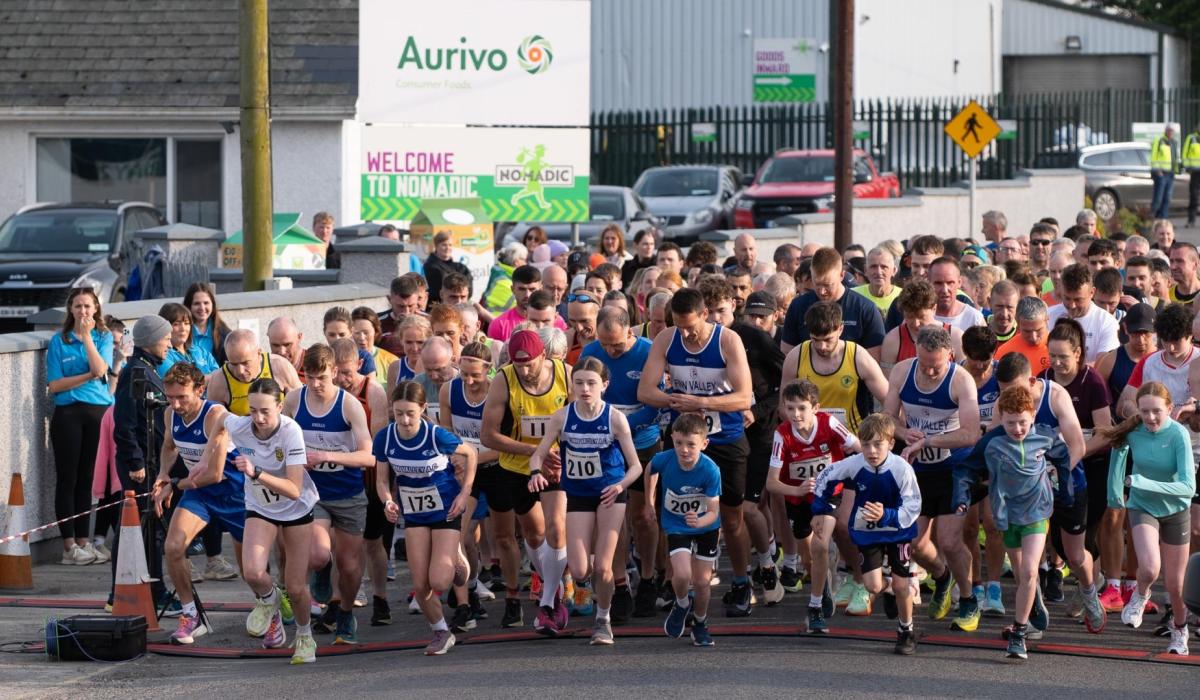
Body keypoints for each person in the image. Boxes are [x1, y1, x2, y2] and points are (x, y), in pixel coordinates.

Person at [639, 288, 756, 617]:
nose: (685, 334)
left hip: (724, 436)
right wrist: (676, 400)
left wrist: (701, 402)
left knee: (731, 517)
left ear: (705, 315)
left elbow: (744, 396)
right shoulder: (667, 339)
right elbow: (645, 390)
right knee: (675, 513)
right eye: (679, 326)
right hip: (684, 438)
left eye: (690, 327)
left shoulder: (727, 340)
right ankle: (674, 580)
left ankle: (741, 581)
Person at [526, 357, 643, 644]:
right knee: (580, 570)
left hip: (609, 494)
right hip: (578, 493)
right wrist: (535, 473)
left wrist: (619, 486)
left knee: (603, 567)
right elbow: (538, 454)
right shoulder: (562, 417)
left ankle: (603, 620)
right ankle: (594, 571)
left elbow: (636, 466)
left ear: (604, 385)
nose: (585, 389)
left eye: (591, 383)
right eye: (579, 383)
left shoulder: (615, 418)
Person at [952, 386, 1075, 659]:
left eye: (1022, 422)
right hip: (1006, 514)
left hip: (1037, 512)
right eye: (1010, 423)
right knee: (1021, 574)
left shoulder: (1044, 435)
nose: (1017, 429)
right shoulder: (992, 442)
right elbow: (965, 470)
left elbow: (1063, 457)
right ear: (1001, 419)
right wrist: (961, 498)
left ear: (1033, 416)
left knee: (1029, 571)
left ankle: (1019, 634)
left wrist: (1065, 492)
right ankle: (1034, 601)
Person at [213, 378, 319, 664]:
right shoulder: (241, 426)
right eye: (253, 410)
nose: (258, 418)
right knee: (252, 572)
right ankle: (270, 599)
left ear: (280, 407)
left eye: (265, 412)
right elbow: (219, 417)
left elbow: (294, 489)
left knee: (296, 587)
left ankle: (304, 635)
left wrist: (256, 472)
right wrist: (209, 459)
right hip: (261, 507)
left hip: (296, 509)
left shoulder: (290, 431)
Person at [883, 326, 981, 632]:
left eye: (935, 366)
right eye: (924, 364)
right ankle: (941, 576)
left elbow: (971, 433)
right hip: (919, 469)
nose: (928, 370)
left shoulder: (960, 379)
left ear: (949, 355)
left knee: (950, 541)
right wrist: (903, 432)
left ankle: (968, 599)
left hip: (954, 468)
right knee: (914, 542)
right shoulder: (902, 372)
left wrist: (928, 441)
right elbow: (888, 419)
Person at [375, 380, 477, 655]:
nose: (405, 420)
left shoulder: (436, 435)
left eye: (410, 413)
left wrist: (464, 493)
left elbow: (471, 454)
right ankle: (442, 632)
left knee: (440, 581)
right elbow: (382, 480)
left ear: (422, 408)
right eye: (399, 413)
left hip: (445, 510)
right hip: (414, 513)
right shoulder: (385, 438)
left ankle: (456, 556)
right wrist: (387, 501)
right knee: (420, 585)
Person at [282, 345, 376, 644]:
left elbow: (368, 456)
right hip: (313, 493)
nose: (315, 384)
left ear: (334, 372)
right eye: (309, 377)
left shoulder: (349, 405)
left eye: (321, 377)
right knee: (318, 554)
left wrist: (325, 455)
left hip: (348, 493)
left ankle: (345, 612)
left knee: (349, 566)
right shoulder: (295, 400)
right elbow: (278, 437)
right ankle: (321, 569)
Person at [480, 330, 572, 629]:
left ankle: (549, 601)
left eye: (530, 364)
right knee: (534, 535)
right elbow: (488, 436)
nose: (524, 371)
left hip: (556, 465)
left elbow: (583, 422)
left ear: (543, 356)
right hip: (518, 466)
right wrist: (536, 451)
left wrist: (561, 456)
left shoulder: (566, 374)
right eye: (518, 365)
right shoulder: (504, 379)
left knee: (556, 528)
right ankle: (552, 584)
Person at [579, 307, 664, 618]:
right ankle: (620, 583)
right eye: (605, 344)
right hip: (605, 447)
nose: (610, 351)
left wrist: (621, 426)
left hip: (642, 443)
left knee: (644, 516)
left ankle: (649, 578)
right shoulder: (591, 353)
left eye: (616, 345)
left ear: (631, 332)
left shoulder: (648, 352)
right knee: (614, 518)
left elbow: (656, 403)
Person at [152, 363, 245, 645]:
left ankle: (270, 604)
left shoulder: (215, 415)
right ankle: (191, 614)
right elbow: (169, 446)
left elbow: (214, 474)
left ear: (200, 390)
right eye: (170, 397)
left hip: (233, 493)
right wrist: (163, 473)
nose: (176, 404)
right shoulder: (170, 414)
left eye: (182, 397)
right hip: (199, 493)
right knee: (173, 547)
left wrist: (174, 484)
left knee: (251, 572)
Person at [813, 414, 923, 654]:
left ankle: (906, 630)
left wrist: (886, 515)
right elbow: (825, 478)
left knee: (902, 586)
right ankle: (888, 586)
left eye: (877, 444)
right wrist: (820, 510)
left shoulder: (901, 469)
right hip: (868, 532)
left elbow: (914, 506)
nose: (871, 451)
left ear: (891, 444)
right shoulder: (855, 464)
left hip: (898, 531)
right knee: (872, 586)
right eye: (865, 445)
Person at [1104, 382, 1196, 655]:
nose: (1151, 417)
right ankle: (1140, 595)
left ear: (1169, 408)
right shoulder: (1134, 430)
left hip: (1176, 510)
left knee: (1175, 585)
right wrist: (1114, 494)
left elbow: (1187, 488)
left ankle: (1180, 629)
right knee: (1150, 568)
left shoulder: (1178, 434)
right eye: (1145, 411)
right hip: (1143, 506)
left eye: (1157, 411)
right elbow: (1118, 452)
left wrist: (1141, 482)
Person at [766, 379, 860, 632]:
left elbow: (859, 449)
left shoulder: (829, 424)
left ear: (815, 408)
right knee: (809, 559)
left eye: (801, 408)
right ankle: (823, 584)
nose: (795, 414)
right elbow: (771, 483)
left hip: (827, 496)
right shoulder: (782, 434)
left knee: (820, 545)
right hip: (798, 499)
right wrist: (796, 489)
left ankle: (815, 607)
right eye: (790, 408)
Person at [1042, 319, 1112, 630]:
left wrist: (1074, 452)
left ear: (1078, 353)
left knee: (1085, 539)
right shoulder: (1043, 380)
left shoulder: (1092, 381)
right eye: (1052, 356)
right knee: (1058, 540)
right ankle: (1091, 583)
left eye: (1063, 357)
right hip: (1056, 471)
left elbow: (1105, 432)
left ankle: (1088, 590)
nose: (1056, 363)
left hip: (1092, 469)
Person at [110, 315, 173, 610]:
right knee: (139, 529)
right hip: (140, 466)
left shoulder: (149, 369)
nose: (169, 343)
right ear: (151, 340)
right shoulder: (135, 372)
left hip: (152, 461)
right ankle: (136, 594)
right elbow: (123, 424)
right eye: (166, 338)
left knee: (151, 530)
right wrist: (136, 462)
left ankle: (149, 589)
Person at [47, 287, 113, 565]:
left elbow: (101, 369)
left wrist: (86, 337)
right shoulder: (59, 341)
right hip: (68, 414)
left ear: (96, 308)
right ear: (70, 310)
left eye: (87, 306)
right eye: (78, 306)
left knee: (87, 479)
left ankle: (84, 541)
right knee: (68, 479)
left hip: (98, 413)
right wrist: (86, 376)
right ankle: (69, 546)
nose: (83, 311)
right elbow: (55, 385)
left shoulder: (103, 337)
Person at [329, 338, 393, 626]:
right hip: (340, 477)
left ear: (359, 364)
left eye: (347, 372)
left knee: (373, 542)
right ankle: (336, 601)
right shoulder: (330, 392)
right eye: (337, 372)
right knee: (339, 545)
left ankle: (381, 598)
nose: (342, 379)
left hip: (369, 476)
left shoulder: (373, 391)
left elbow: (377, 444)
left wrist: (382, 486)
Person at [644, 413, 722, 648]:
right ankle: (681, 603)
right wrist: (649, 501)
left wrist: (700, 521)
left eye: (691, 444)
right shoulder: (665, 459)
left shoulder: (711, 470)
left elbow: (714, 511)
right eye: (679, 443)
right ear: (672, 439)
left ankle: (700, 622)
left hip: (706, 526)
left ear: (704, 444)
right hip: (677, 525)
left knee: (702, 582)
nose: (684, 450)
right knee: (682, 574)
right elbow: (650, 469)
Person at [437, 341, 499, 623]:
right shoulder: (449, 390)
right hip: (463, 472)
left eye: (476, 375)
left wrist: (472, 458)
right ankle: (465, 599)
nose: (469, 381)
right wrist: (456, 459)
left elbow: (503, 447)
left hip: (494, 467)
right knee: (461, 536)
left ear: (489, 370)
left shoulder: (498, 392)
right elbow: (446, 433)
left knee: (505, 537)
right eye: (464, 374)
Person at [781, 247, 886, 359]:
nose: (822, 291)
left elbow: (874, 357)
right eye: (817, 284)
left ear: (842, 275)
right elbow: (787, 351)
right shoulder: (798, 306)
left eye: (827, 285)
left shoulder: (865, 309)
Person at [878, 278, 965, 375]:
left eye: (921, 317)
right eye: (910, 317)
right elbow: (888, 382)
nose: (916, 324)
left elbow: (964, 378)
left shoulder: (956, 338)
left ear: (934, 309)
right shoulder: (893, 340)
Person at [206, 329, 302, 415]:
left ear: (259, 353)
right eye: (233, 364)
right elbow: (214, 422)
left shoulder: (280, 366)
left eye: (245, 363)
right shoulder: (218, 381)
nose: (240, 371)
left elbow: (300, 406)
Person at [489, 265, 566, 341]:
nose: (527, 295)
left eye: (532, 289)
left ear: (541, 288)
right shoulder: (499, 325)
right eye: (522, 289)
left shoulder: (558, 322)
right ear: (513, 289)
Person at [156, 302, 218, 376]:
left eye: (186, 323)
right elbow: (181, 381)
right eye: (176, 324)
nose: (183, 329)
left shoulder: (201, 351)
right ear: (163, 327)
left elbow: (220, 376)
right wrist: (210, 378)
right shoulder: (163, 356)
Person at [997, 296, 1051, 375]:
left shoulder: (1062, 347)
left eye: (1038, 330)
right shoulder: (1004, 353)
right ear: (1018, 324)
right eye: (1027, 331)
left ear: (1047, 320)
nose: (1033, 337)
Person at [931, 257, 985, 331]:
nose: (945, 290)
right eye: (938, 283)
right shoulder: (918, 318)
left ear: (959, 282)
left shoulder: (974, 319)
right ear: (929, 282)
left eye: (950, 283)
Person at [352, 306, 399, 389]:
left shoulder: (392, 361)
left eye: (366, 332)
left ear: (376, 332)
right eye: (357, 333)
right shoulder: (342, 360)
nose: (362, 338)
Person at [184, 282, 230, 365]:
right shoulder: (180, 332)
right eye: (196, 303)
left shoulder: (225, 334)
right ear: (188, 306)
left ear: (213, 305)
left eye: (206, 303)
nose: (202, 308)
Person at [424, 231, 472, 303]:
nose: (447, 248)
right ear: (436, 246)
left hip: (462, 307)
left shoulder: (461, 268)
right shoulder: (430, 267)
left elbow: (469, 289)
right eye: (444, 245)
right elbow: (435, 292)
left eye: (450, 245)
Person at [853, 246, 900, 316]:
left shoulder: (903, 296)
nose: (878, 272)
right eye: (873, 266)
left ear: (894, 270)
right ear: (865, 270)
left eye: (884, 267)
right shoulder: (853, 296)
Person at [565, 290, 601, 365]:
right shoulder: (566, 340)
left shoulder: (612, 341)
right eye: (573, 321)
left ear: (599, 314)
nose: (579, 328)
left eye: (584, 321)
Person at [1150, 125, 1177, 220]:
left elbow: (1174, 158)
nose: (1171, 132)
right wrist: (1157, 170)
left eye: (1172, 131)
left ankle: (1163, 220)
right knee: (1158, 198)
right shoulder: (1159, 140)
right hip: (1161, 173)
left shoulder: (1173, 142)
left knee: (1167, 198)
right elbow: (1154, 156)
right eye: (1169, 130)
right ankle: (1152, 219)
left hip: (1170, 174)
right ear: (1166, 131)